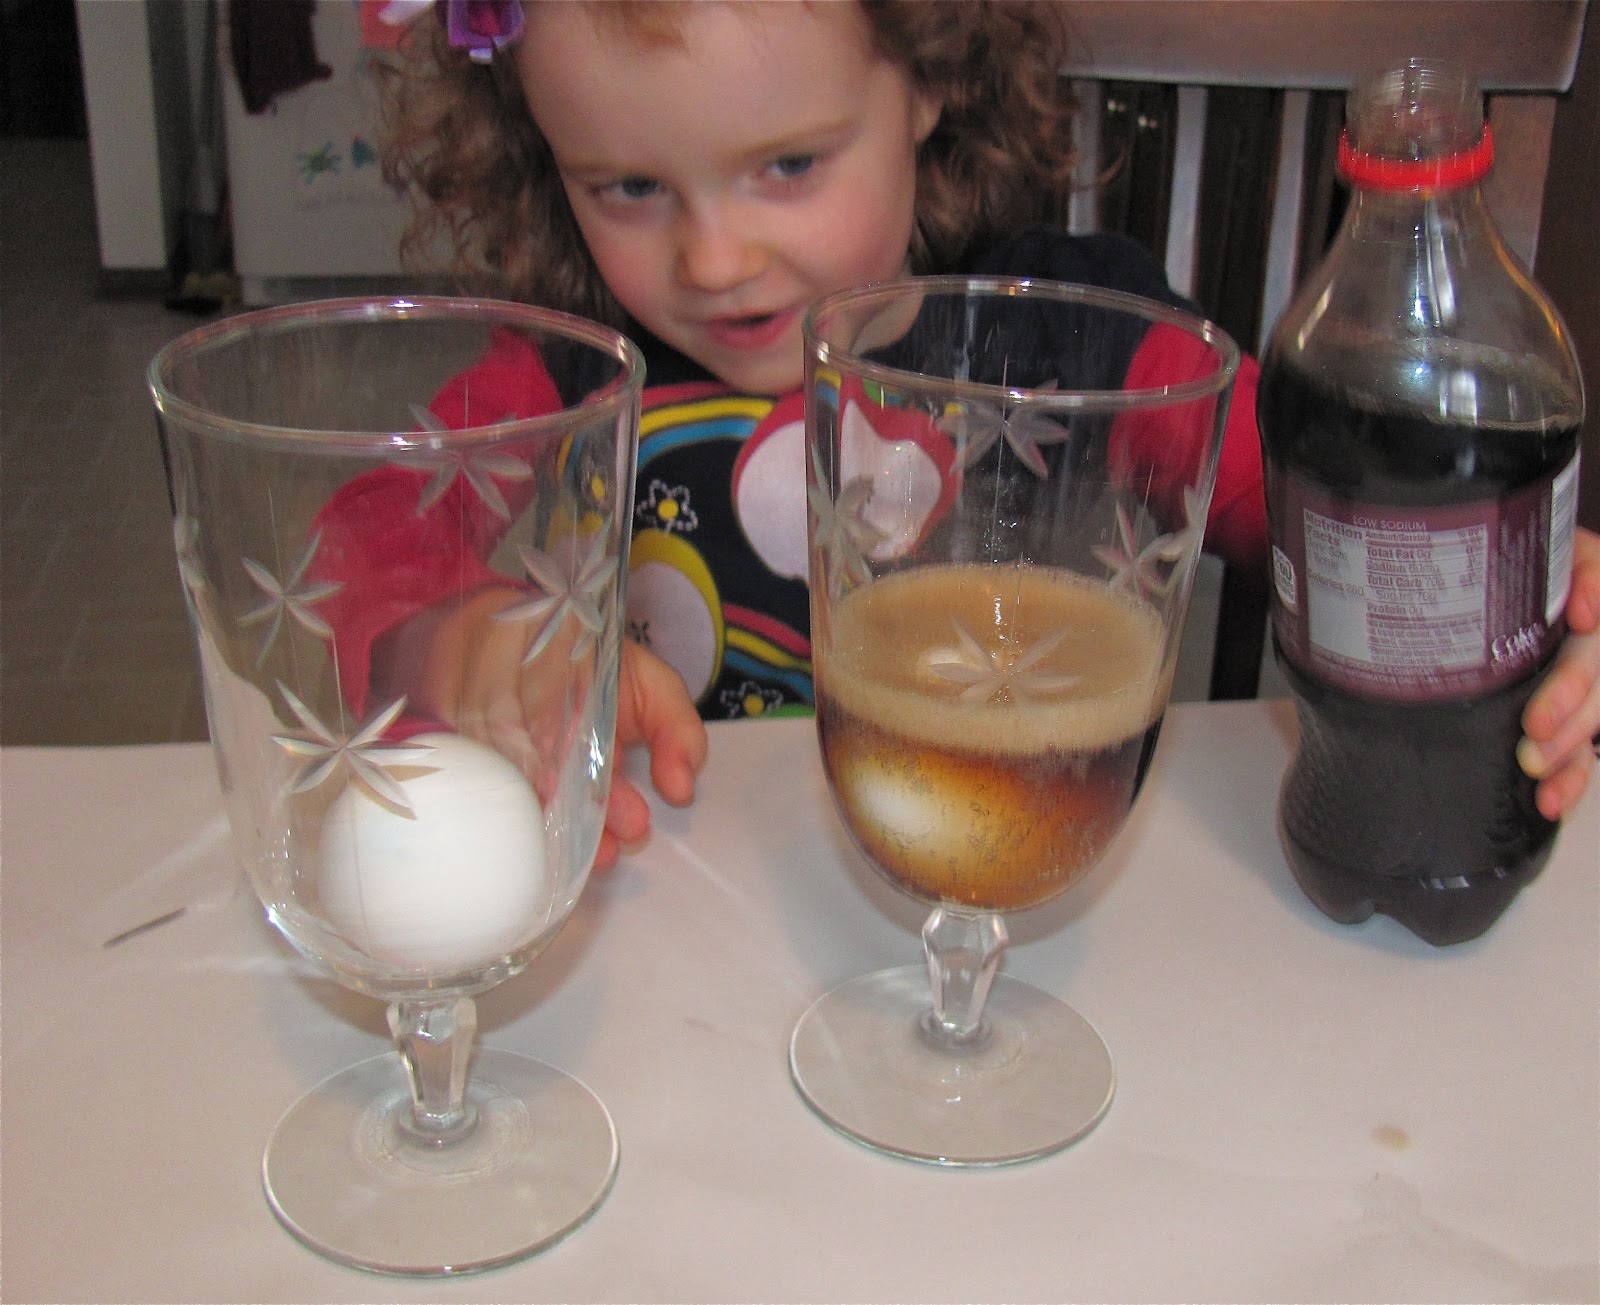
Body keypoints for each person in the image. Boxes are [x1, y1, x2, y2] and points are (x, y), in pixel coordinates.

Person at [362, 0, 1600, 866]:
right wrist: (456, 641)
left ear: (929, 75)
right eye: (627, 186)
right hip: (680, 939)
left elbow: (1325, 524)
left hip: (1011, 919)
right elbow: (340, 560)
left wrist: (1526, 580)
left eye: (789, 163)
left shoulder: (1088, 350)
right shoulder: (558, 374)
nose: (713, 257)